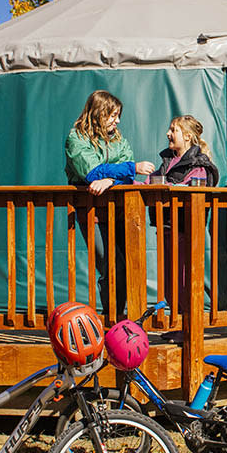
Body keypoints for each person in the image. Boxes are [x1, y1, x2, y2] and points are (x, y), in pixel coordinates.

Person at [65, 90, 155, 319]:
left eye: (118, 115)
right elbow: (89, 171)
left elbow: (124, 176)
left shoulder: (118, 140)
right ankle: (111, 315)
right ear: (98, 114)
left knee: (126, 264)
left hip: (120, 210)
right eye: (112, 115)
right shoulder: (76, 138)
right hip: (92, 211)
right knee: (108, 263)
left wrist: (110, 179)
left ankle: (120, 316)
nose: (117, 120)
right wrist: (129, 168)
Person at [156, 115, 220, 314]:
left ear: (187, 136)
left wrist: (165, 186)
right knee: (169, 280)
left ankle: (189, 324)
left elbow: (192, 188)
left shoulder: (199, 164)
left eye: (173, 129)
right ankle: (178, 322)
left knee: (184, 279)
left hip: (186, 229)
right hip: (167, 226)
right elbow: (154, 181)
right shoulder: (168, 160)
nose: (168, 133)